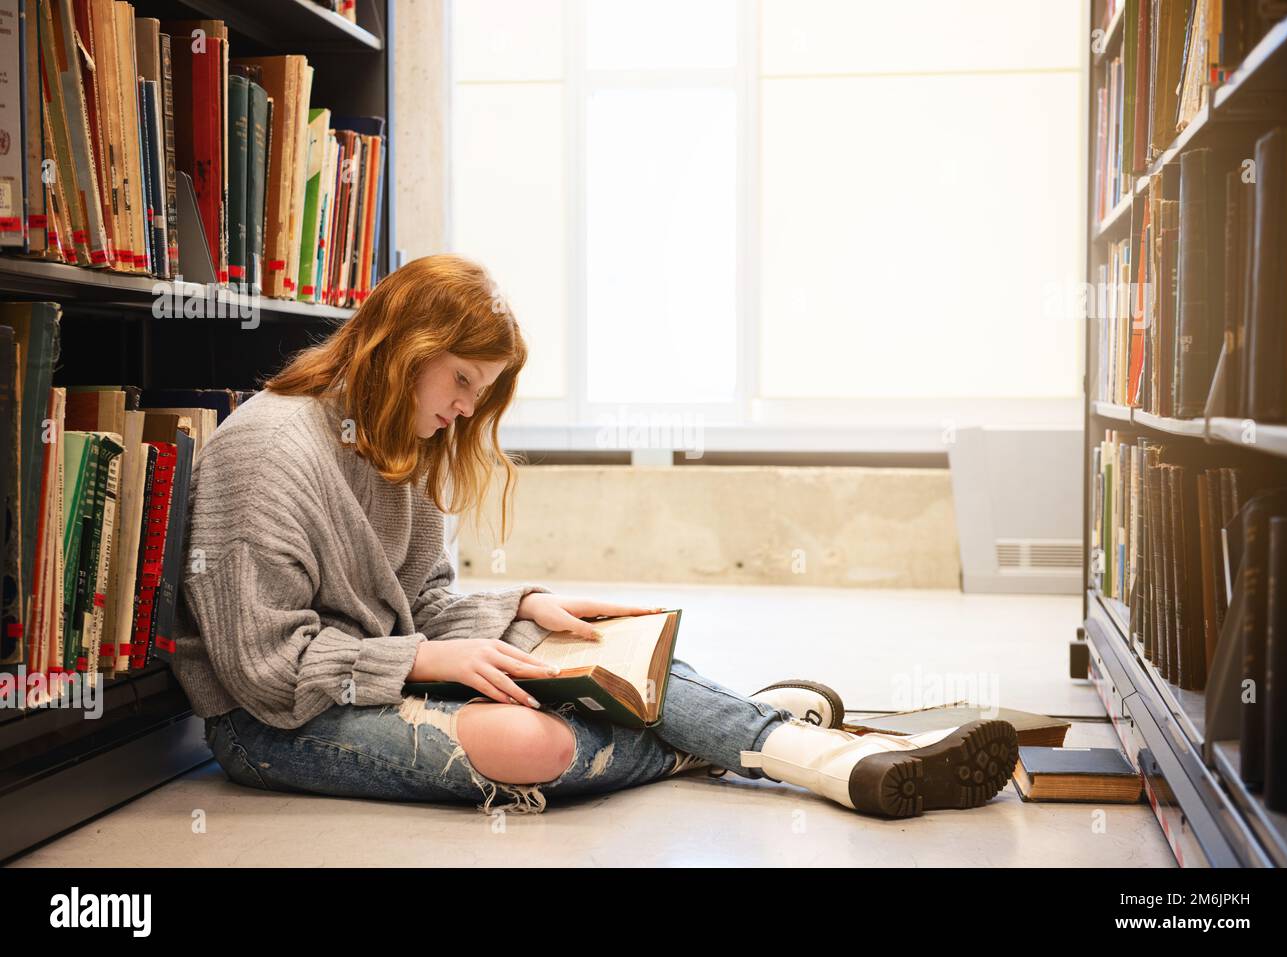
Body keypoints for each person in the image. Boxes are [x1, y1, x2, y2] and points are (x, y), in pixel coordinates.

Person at [171, 254, 1018, 820]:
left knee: (597, 644)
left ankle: (827, 762)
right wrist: (425, 660)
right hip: (273, 725)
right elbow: (262, 668)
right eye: (461, 380)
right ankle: (718, 738)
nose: (467, 408)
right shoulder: (268, 447)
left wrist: (525, 608)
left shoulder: (406, 443)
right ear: (400, 347)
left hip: (380, 677)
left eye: (483, 389)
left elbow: (423, 602)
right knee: (528, 741)